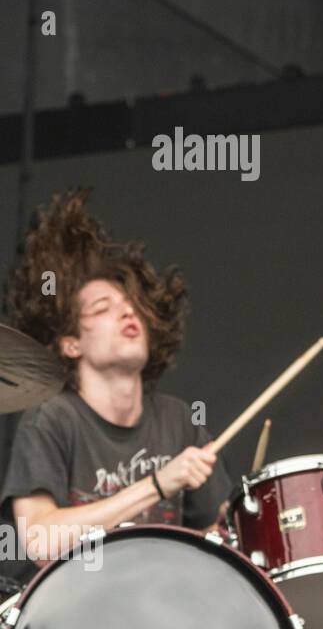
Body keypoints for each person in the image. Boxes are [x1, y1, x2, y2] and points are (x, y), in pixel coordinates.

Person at [0, 190, 230, 576]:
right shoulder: (52, 420)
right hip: (76, 612)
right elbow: (40, 542)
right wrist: (157, 485)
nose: (126, 312)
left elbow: (221, 535)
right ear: (71, 343)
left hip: (165, 610)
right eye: (103, 308)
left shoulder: (179, 422)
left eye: (131, 307)